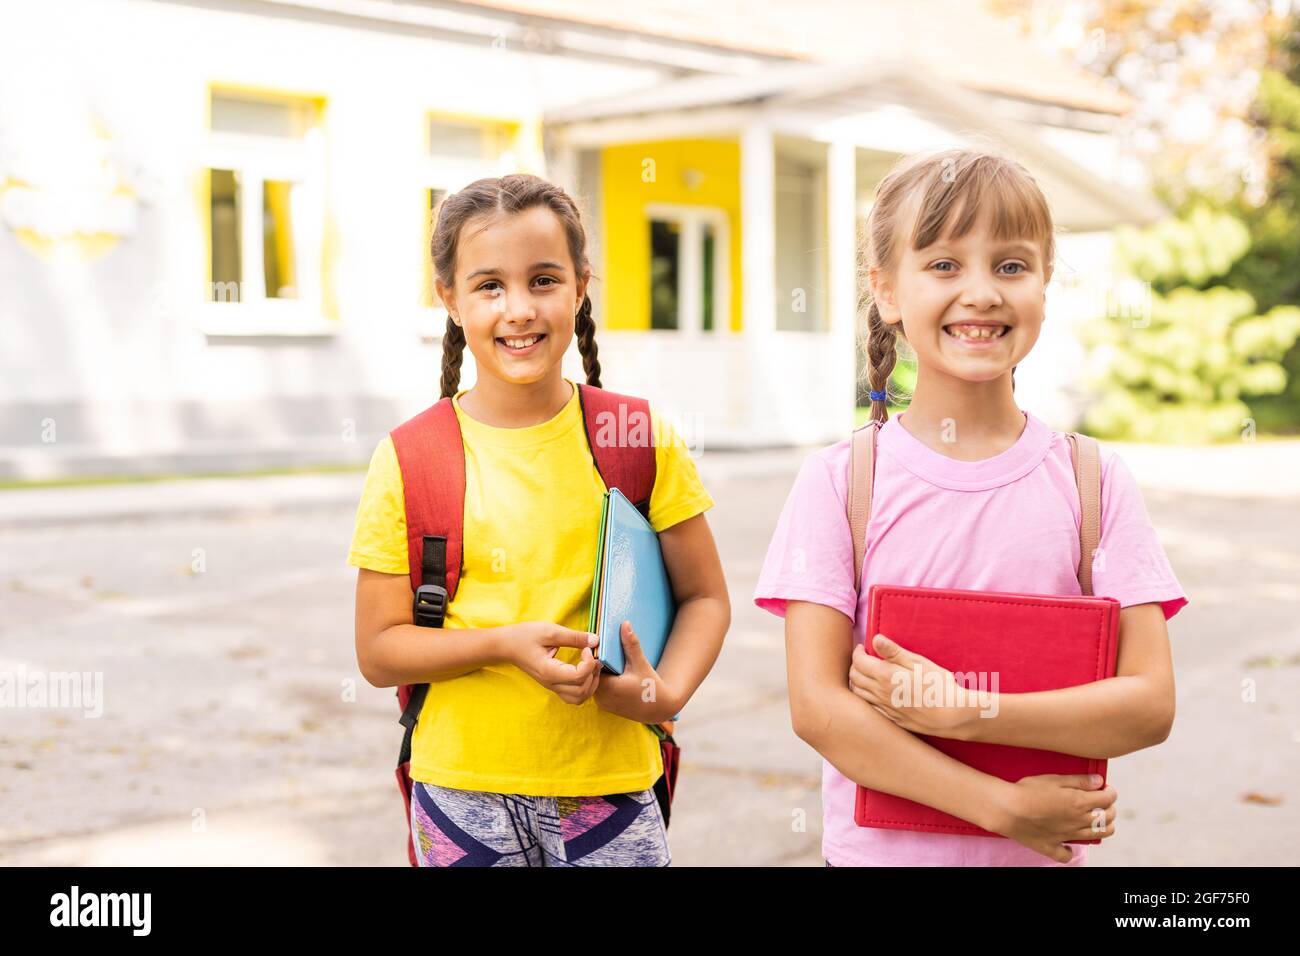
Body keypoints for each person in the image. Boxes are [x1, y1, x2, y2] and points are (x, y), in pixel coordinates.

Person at [755, 147, 1188, 867]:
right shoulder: (840, 482)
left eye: (1011, 266)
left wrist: (971, 712)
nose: (982, 292)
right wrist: (1002, 808)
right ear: (887, 291)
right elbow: (821, 709)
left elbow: (1148, 704)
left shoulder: (1094, 481)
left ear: (1045, 284)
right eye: (945, 265)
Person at [350, 173, 729, 866]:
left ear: (581, 286)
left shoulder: (637, 436)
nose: (518, 308)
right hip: (459, 790)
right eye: (489, 285)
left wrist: (662, 691)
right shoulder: (408, 458)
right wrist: (501, 645)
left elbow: (705, 596)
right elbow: (379, 651)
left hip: (611, 786)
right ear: (450, 299)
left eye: (544, 280)